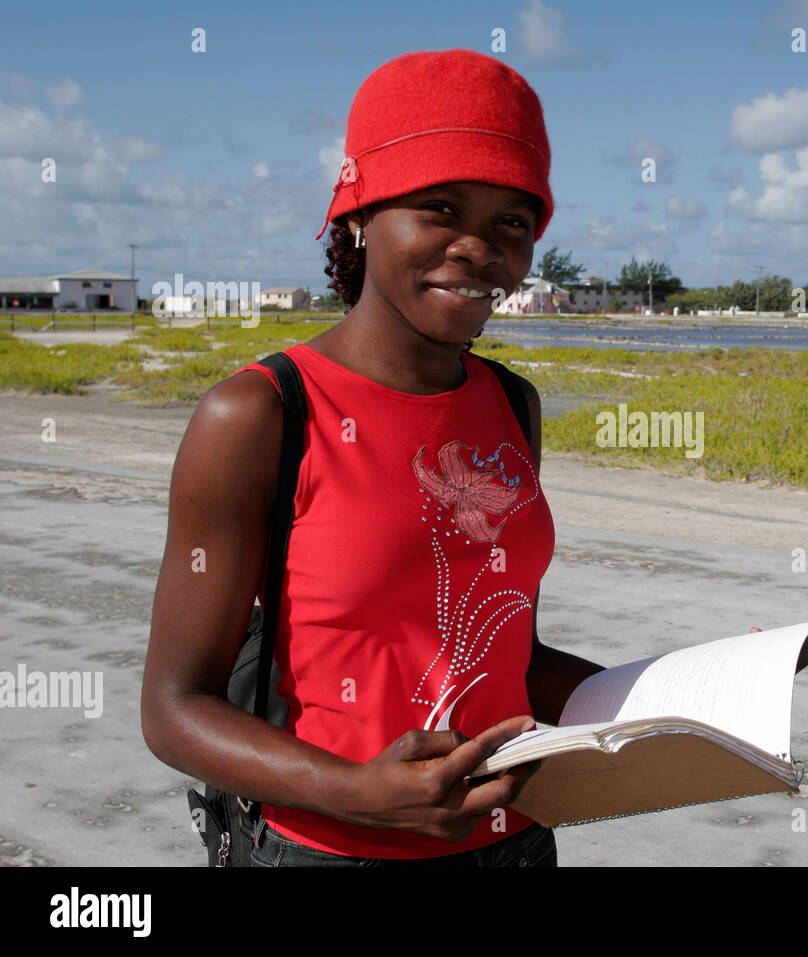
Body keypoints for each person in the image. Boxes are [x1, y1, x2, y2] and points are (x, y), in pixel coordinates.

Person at [140, 49, 605, 867]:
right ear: (359, 213)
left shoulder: (511, 404)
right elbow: (175, 708)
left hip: (519, 842)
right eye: (440, 207)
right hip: (334, 849)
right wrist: (360, 790)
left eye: (513, 221)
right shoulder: (259, 414)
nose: (480, 247)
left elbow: (504, 654)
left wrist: (689, 693)